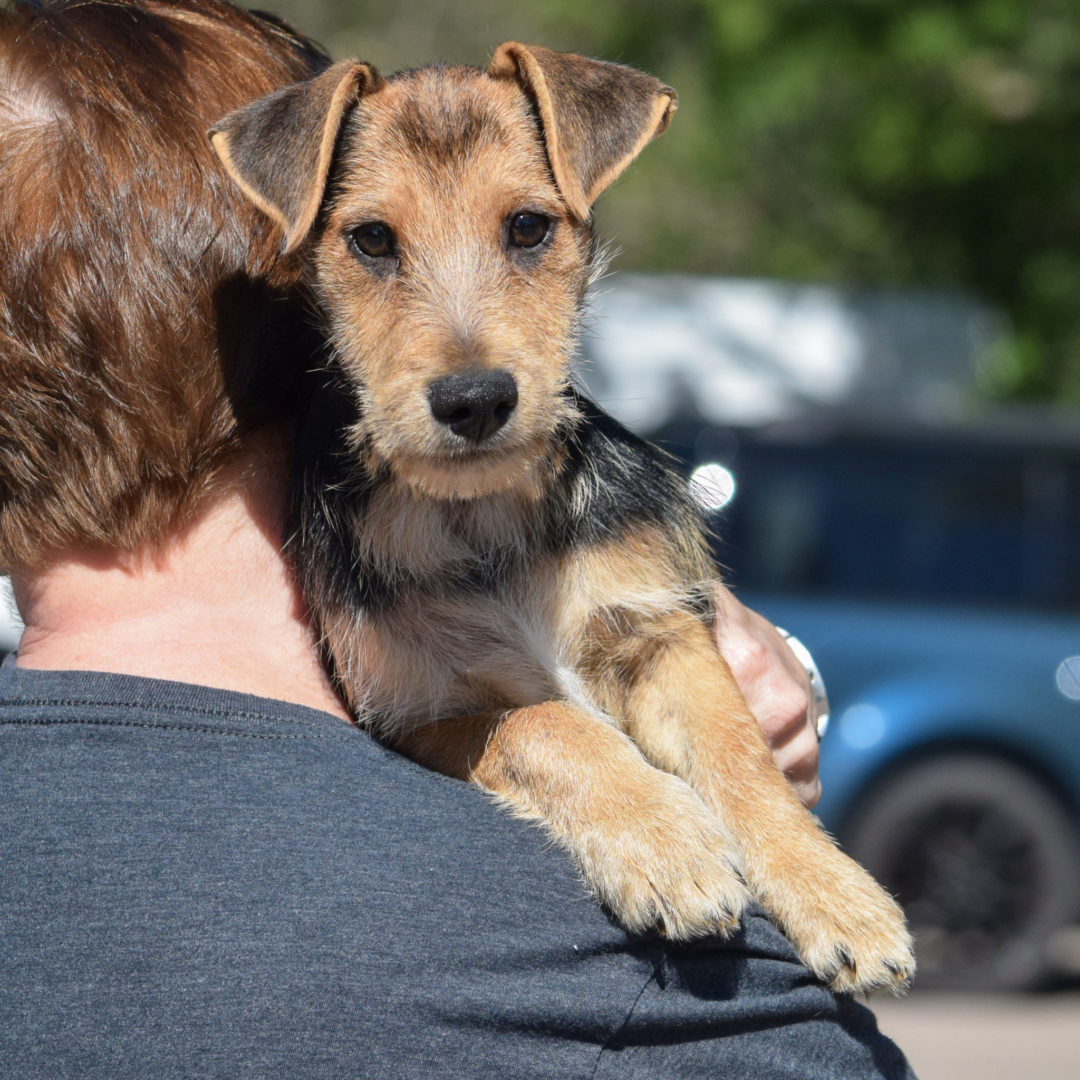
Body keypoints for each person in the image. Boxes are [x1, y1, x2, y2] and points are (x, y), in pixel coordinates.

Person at [0, 1, 914, 1076]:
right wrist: (566, 750)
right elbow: (423, 718)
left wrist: (766, 798)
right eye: (374, 245)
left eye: (528, 231)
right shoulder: (670, 1016)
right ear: (284, 289)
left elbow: (670, 646)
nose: (467, 353)